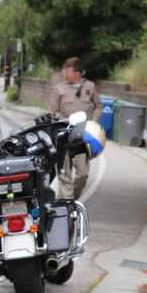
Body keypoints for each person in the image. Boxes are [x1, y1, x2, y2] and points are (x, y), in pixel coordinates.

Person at [49, 57, 100, 200]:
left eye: (68, 71)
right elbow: (52, 112)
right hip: (64, 135)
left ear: (77, 73)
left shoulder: (90, 87)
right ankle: (67, 203)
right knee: (64, 174)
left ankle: (74, 198)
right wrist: (56, 119)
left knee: (82, 175)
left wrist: (94, 122)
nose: (65, 74)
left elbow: (98, 106)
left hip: (83, 136)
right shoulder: (59, 89)